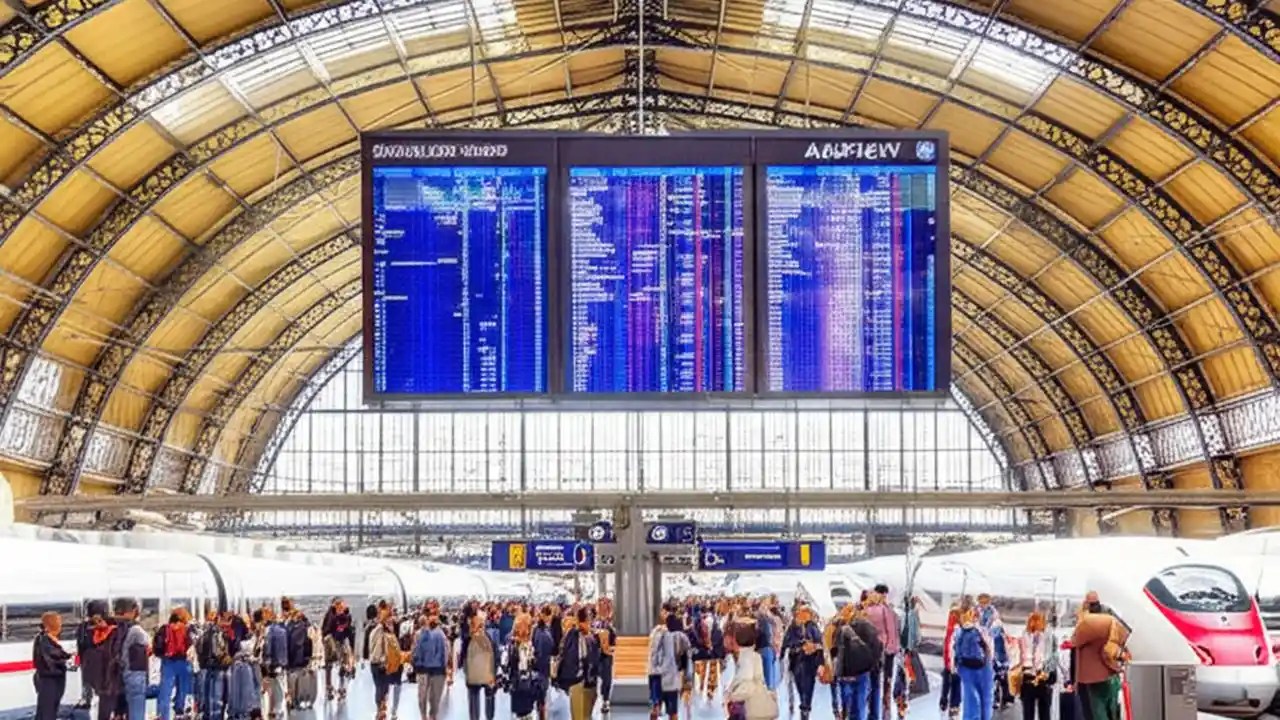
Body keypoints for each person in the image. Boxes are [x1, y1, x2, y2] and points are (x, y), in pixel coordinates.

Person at [1070, 598, 1129, 720]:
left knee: (1097, 712)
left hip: (1092, 680)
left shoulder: (1085, 627)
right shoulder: (1112, 625)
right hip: (1111, 677)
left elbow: (1075, 650)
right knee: (1112, 711)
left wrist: (1073, 681)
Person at [831, 606, 881, 720]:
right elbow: (877, 651)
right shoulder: (869, 628)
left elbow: (834, 652)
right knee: (859, 709)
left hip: (845, 675)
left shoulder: (839, 629)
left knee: (846, 709)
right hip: (861, 674)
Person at [725, 618, 777, 720]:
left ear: (735, 640)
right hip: (759, 707)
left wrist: (731, 696)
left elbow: (747, 685)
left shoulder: (746, 658)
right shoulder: (754, 656)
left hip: (749, 710)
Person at [557, 607, 601, 720]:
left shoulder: (592, 637)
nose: (590, 622)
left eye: (591, 619)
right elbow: (568, 656)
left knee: (587, 716)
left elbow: (595, 658)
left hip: (590, 682)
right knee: (578, 716)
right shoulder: (573, 635)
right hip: (577, 681)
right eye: (588, 619)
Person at [951, 609, 995, 720]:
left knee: (970, 701)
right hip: (983, 668)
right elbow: (989, 650)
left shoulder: (959, 631)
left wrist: (955, 665)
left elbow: (955, 649)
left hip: (966, 667)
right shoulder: (982, 631)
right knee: (985, 700)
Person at [863, 588, 900, 720]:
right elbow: (890, 630)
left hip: (876, 651)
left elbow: (891, 630)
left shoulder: (882, 610)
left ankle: (881, 708)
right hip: (878, 650)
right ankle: (880, 708)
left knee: (878, 681)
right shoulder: (881, 609)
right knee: (878, 681)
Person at [154, 607, 196, 720]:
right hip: (184, 661)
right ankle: (180, 713)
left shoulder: (164, 629)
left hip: (168, 662)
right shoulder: (188, 628)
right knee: (183, 690)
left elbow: (156, 646)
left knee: (165, 691)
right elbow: (194, 643)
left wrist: (162, 655)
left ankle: (162, 715)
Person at [647, 609, 690, 720]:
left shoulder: (655, 632)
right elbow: (686, 650)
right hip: (670, 675)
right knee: (672, 711)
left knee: (655, 707)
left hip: (655, 674)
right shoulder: (679, 636)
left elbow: (652, 652)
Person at [783, 605, 823, 720]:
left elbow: (820, 645)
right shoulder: (793, 627)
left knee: (807, 688)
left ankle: (805, 710)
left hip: (809, 663)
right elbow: (786, 642)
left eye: (804, 613)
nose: (801, 615)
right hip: (796, 661)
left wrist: (819, 661)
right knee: (800, 687)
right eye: (800, 613)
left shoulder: (813, 627)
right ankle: (804, 707)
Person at [506, 613, 546, 720]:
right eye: (530, 626)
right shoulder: (520, 646)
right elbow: (524, 668)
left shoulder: (514, 644)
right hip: (524, 689)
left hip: (521, 689)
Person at [33, 611, 72, 720]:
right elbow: (52, 659)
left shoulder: (46, 639)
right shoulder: (44, 641)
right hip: (49, 680)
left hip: (50, 680)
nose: (61, 625)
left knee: (49, 710)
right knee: (47, 712)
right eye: (59, 622)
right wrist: (67, 659)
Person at [413, 613, 451, 720]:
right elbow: (445, 654)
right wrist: (445, 669)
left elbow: (417, 652)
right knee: (435, 697)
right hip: (438, 670)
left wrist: (417, 665)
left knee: (422, 695)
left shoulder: (421, 634)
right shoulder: (442, 635)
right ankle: (432, 716)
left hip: (423, 669)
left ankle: (423, 716)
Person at [1018, 612, 1056, 720]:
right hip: (1031, 674)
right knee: (1031, 711)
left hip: (1041, 674)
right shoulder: (1025, 636)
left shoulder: (1047, 636)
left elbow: (1053, 656)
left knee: (1040, 711)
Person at [460, 612, 498, 720]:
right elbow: (495, 655)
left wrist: (466, 671)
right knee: (489, 698)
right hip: (487, 673)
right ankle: (489, 717)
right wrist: (494, 672)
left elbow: (463, 657)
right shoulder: (488, 638)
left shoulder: (467, 639)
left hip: (473, 675)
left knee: (473, 700)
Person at [196, 610, 232, 720]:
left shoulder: (206, 632)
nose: (228, 624)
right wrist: (232, 659)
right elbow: (218, 654)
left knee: (209, 701)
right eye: (226, 620)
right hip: (217, 670)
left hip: (207, 670)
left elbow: (198, 648)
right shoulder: (217, 633)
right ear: (219, 619)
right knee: (217, 702)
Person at [74, 600, 107, 711]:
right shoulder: (106, 626)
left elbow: (80, 643)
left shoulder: (83, 627)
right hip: (101, 660)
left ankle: (86, 700)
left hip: (87, 659)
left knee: (87, 682)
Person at [322, 598, 355, 701]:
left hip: (341, 642)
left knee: (343, 667)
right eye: (338, 607)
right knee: (329, 664)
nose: (340, 609)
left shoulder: (347, 617)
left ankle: (342, 688)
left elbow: (349, 632)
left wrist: (352, 650)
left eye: (342, 607)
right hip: (331, 642)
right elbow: (326, 630)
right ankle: (329, 687)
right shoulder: (330, 616)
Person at [261, 607, 289, 720]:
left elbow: (268, 648)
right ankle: (278, 708)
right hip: (281, 662)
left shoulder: (269, 631)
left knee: (273, 687)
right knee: (280, 686)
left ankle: (273, 709)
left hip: (273, 662)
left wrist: (266, 663)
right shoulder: (283, 630)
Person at [938, 605, 962, 718]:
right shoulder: (957, 629)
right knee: (955, 683)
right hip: (954, 661)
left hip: (949, 660)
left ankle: (944, 701)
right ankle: (954, 705)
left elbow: (946, 647)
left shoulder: (949, 628)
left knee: (947, 682)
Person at [594, 599, 617, 713]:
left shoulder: (611, 626)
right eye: (600, 606)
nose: (602, 609)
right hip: (595, 656)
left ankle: (605, 700)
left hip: (606, 656)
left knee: (606, 679)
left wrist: (610, 649)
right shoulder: (594, 623)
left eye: (605, 607)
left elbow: (614, 643)